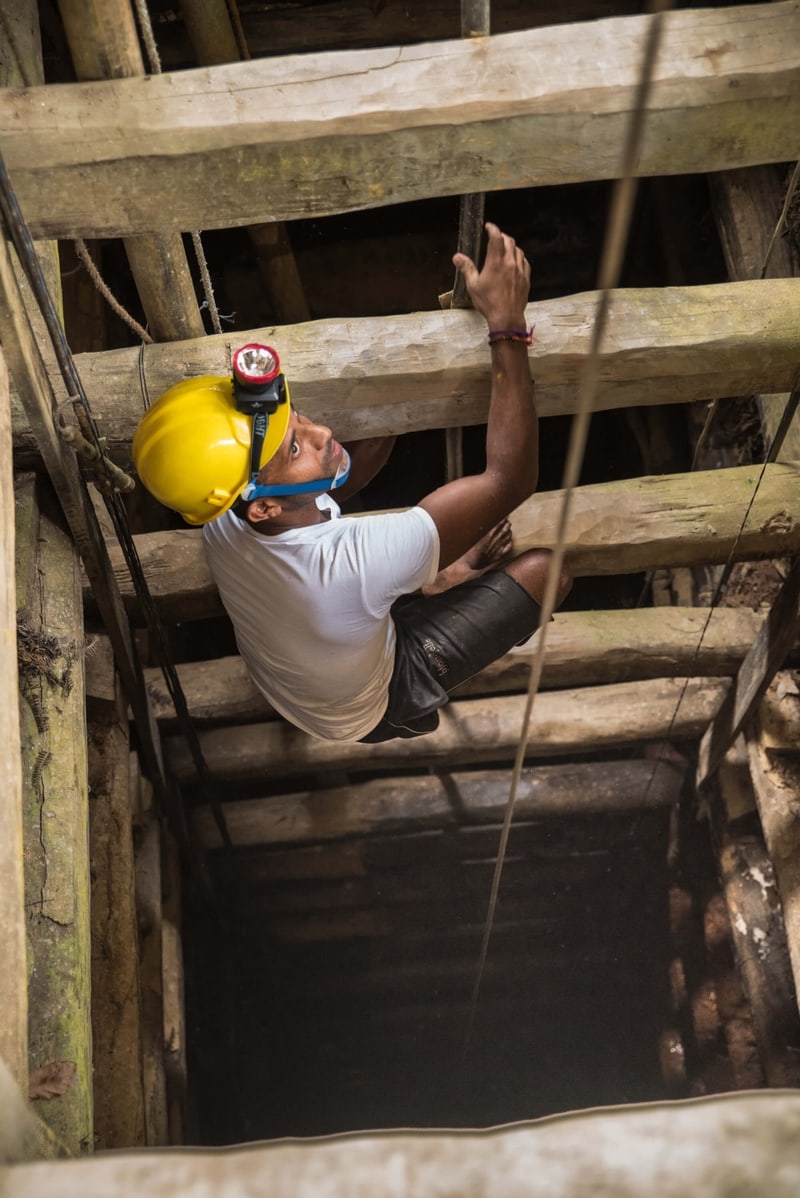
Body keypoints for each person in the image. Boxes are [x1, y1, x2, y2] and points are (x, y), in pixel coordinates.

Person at [132, 223, 572, 742]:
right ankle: (441, 582)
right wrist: (508, 325)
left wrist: (305, 452)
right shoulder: (353, 561)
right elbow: (510, 479)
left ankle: (426, 582)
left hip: (303, 668)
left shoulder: (223, 508)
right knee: (549, 571)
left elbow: (308, 491)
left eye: (295, 419)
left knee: (381, 439)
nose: (320, 432)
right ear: (263, 509)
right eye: (294, 447)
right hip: (368, 704)